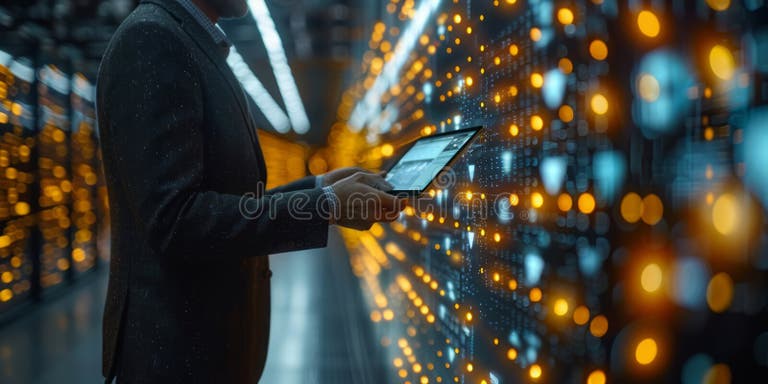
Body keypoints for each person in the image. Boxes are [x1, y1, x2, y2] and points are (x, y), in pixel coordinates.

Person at [95, 0, 404, 382]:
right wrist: (322, 206)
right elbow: (175, 219)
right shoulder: (152, 39)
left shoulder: (191, 42)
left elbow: (223, 200)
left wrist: (321, 187)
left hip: (200, 355)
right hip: (176, 360)